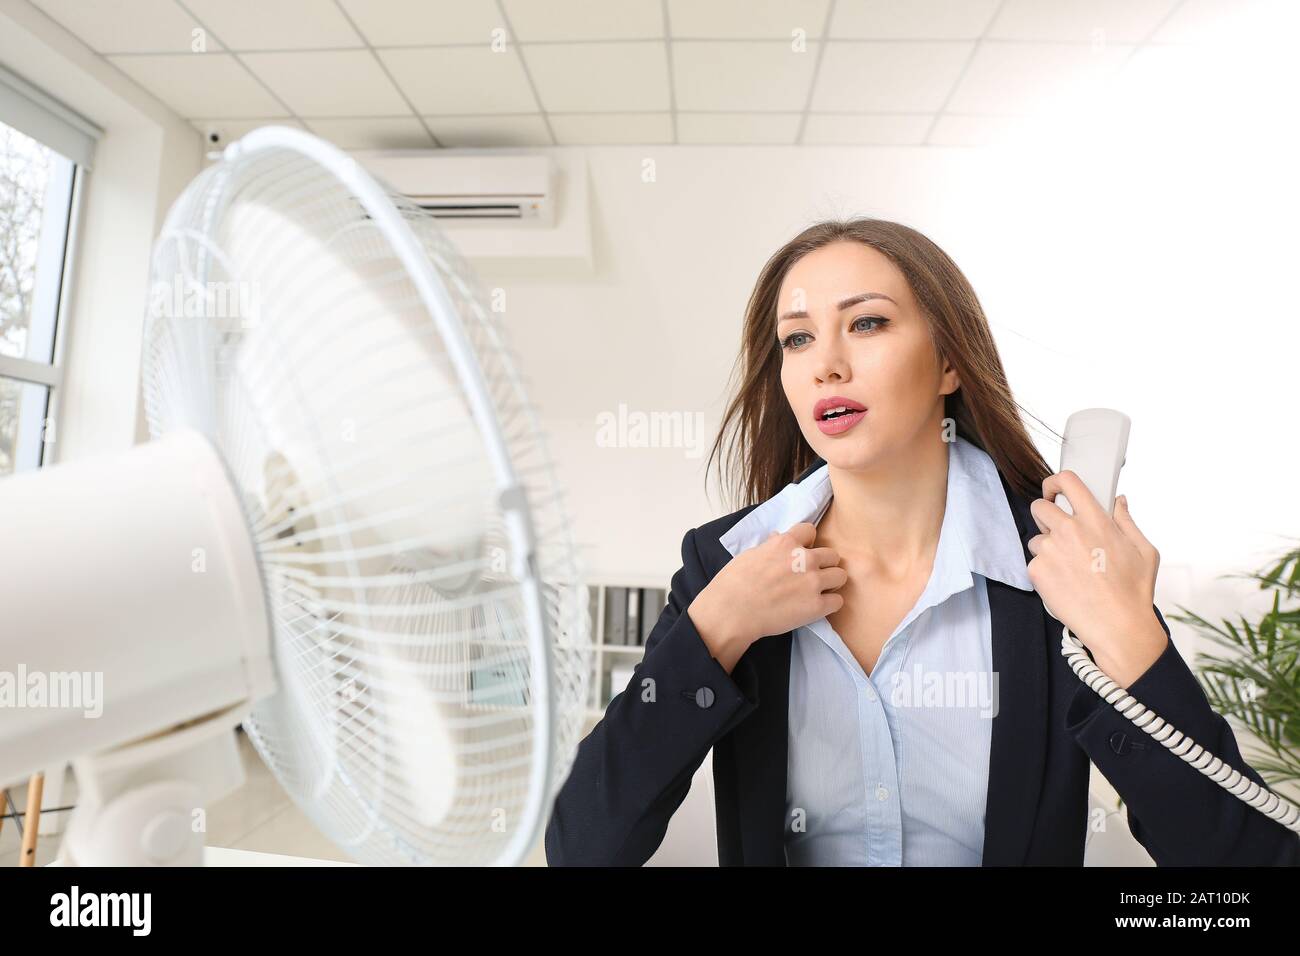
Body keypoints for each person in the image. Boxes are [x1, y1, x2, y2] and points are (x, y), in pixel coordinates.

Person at [545, 218, 1299, 866]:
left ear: (948, 362)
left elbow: (1239, 864)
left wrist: (1132, 639)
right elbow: (584, 845)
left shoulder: (1057, 569)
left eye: (866, 323)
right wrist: (716, 631)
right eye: (798, 339)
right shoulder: (726, 567)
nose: (826, 363)